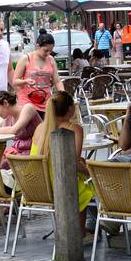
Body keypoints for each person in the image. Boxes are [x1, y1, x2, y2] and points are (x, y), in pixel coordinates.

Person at [30, 91, 94, 233]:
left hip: (38, 186)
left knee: (86, 183)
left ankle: (80, 228)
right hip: (61, 185)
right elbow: (74, 164)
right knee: (88, 186)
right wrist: (92, 173)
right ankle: (79, 232)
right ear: (71, 108)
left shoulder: (40, 128)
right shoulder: (74, 129)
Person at [0, 89, 41, 168]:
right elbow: (2, 136)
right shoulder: (8, 117)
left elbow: (14, 130)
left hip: (35, 152)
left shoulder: (28, 108)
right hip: (19, 153)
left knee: (0, 165)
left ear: (5, 103)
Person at [12, 33, 61, 112]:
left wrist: (63, 95)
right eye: (45, 50)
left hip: (45, 101)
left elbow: (57, 81)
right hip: (27, 101)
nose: (48, 53)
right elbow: (15, 81)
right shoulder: (26, 59)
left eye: (50, 51)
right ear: (37, 46)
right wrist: (25, 81)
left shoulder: (51, 59)